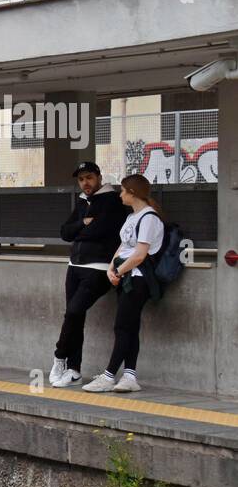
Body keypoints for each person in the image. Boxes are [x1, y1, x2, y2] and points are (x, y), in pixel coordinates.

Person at [81, 174, 165, 393]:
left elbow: (139, 255)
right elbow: (123, 246)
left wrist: (117, 270)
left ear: (133, 193)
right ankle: (129, 376)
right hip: (125, 276)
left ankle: (108, 376)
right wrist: (111, 268)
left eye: (123, 191)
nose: (120, 194)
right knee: (130, 327)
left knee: (122, 326)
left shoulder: (149, 218)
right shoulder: (132, 218)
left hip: (138, 280)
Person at [49, 162, 129, 387]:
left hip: (99, 269)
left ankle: (59, 356)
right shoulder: (83, 202)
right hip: (74, 266)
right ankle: (74, 370)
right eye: (81, 179)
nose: (85, 183)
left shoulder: (112, 201)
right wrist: (83, 223)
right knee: (75, 317)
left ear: (99, 177)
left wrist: (80, 231)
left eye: (89, 178)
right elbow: (65, 232)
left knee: (73, 312)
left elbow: (102, 231)